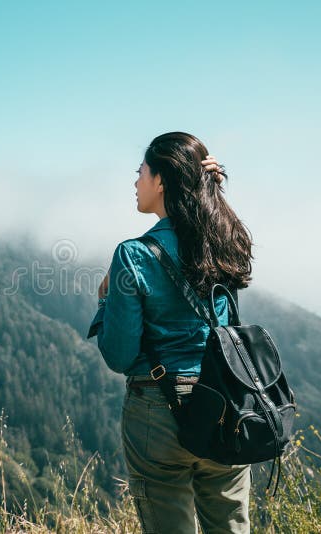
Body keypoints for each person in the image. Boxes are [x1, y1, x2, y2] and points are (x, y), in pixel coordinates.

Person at [87, 132, 255, 533]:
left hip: (157, 411)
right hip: (225, 400)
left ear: (161, 181)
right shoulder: (224, 241)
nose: (136, 181)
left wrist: (104, 302)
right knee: (232, 525)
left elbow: (120, 356)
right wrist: (212, 186)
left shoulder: (133, 254)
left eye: (141, 172)